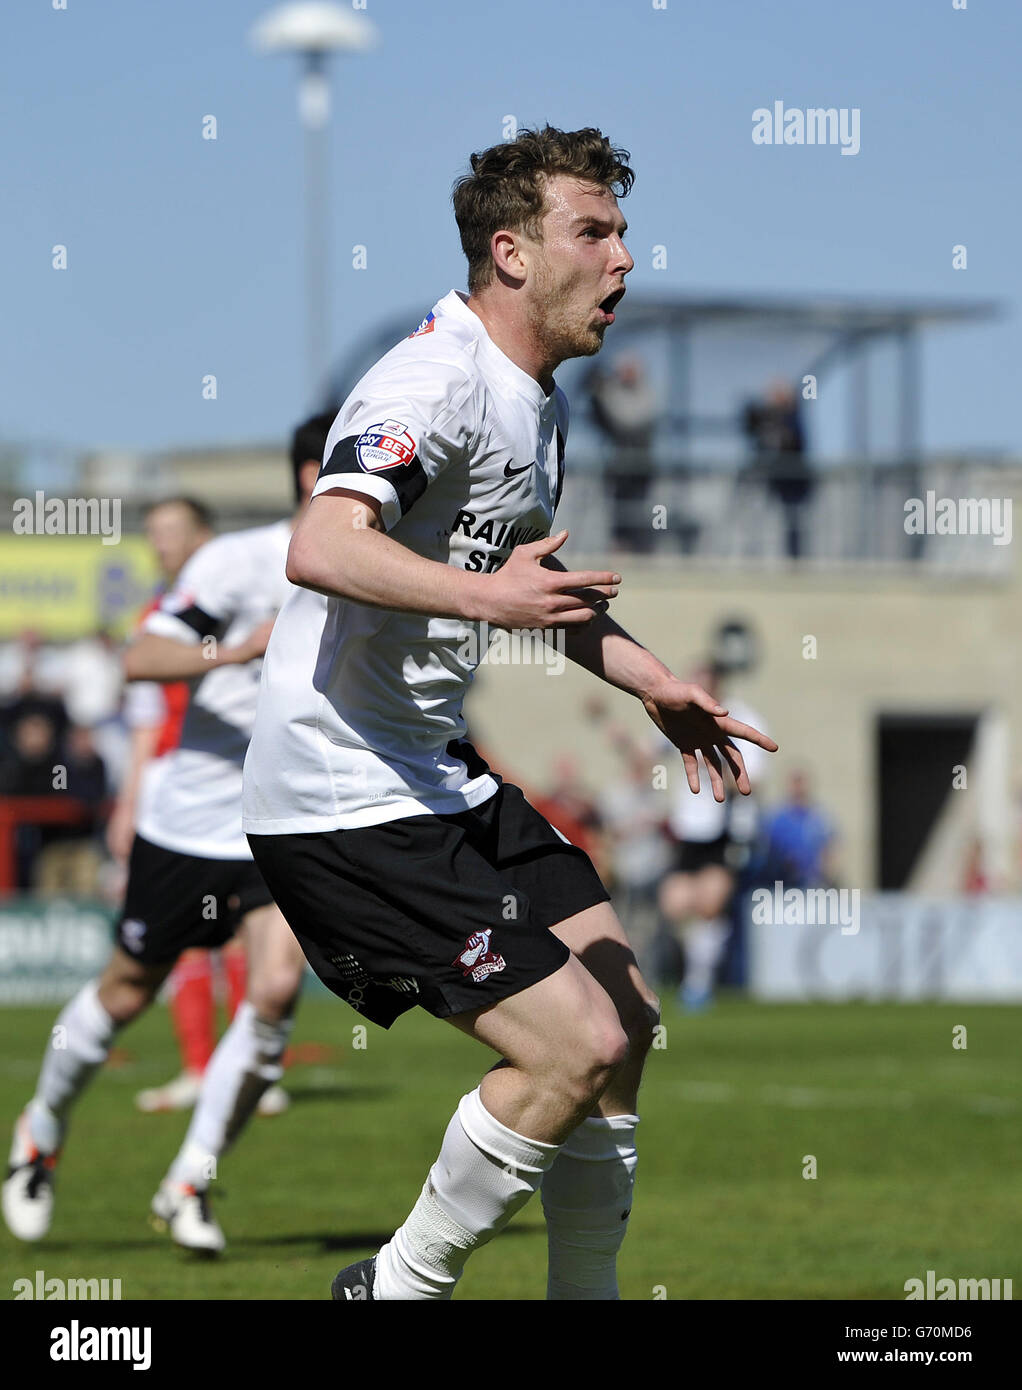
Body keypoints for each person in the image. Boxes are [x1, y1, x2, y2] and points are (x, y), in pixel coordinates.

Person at [242, 124, 778, 1301]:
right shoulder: (428, 379)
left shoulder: (534, 404)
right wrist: (493, 593)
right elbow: (321, 543)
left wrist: (652, 683)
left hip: (431, 767)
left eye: (622, 230)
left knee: (625, 1019)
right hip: (339, 791)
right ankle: (397, 1287)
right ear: (512, 254)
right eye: (594, 232)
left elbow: (525, 589)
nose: (625, 259)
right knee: (569, 1044)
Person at [1, 416, 333, 1254]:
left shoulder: (386, 571)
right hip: (190, 827)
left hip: (283, 828)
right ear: (309, 476)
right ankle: (40, 1132)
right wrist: (238, 650)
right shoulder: (240, 562)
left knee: (274, 991)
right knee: (126, 992)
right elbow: (143, 658)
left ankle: (191, 1180)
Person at [658, 661, 771, 1010]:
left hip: (725, 830)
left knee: (710, 905)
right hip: (688, 832)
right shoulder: (677, 717)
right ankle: (696, 972)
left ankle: (699, 983)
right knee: (675, 905)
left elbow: (751, 780)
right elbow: (646, 754)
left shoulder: (740, 718)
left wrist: (717, 757)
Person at [742, 379, 811, 560]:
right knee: (761, 520)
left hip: (793, 484)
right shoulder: (772, 419)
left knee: (793, 523)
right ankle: (755, 556)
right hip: (773, 480)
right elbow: (754, 432)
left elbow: (792, 442)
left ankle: (794, 560)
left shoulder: (793, 418)